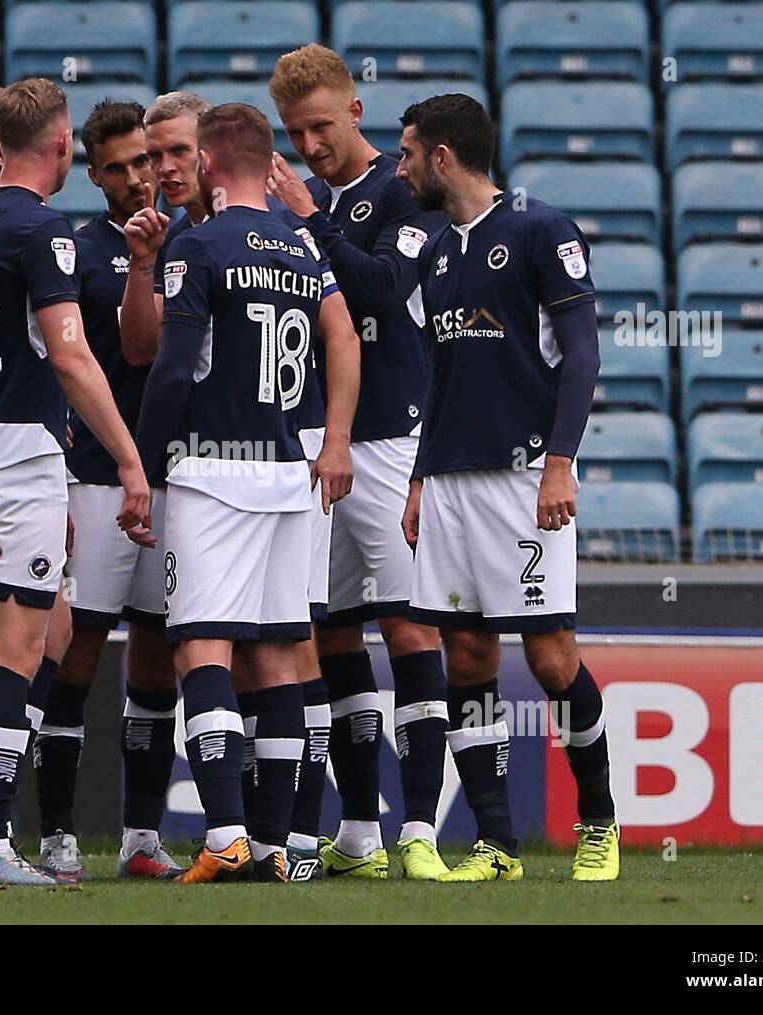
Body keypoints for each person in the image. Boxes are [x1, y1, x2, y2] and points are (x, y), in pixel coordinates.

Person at [123, 92, 359, 880]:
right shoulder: (303, 244)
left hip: (213, 472)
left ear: (211, 162)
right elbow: (341, 335)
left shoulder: (204, 245)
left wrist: (144, 466)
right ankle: (280, 844)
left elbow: (172, 368)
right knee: (281, 658)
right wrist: (334, 440)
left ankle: (224, 832)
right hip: (289, 470)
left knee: (202, 647)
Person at [0, 78, 150, 886]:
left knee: (34, 635)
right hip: (14, 457)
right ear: (61, 147)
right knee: (15, 650)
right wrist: (127, 457)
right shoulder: (42, 229)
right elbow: (70, 353)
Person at [396, 93, 619, 882]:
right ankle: (497, 844)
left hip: (525, 476)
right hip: (451, 481)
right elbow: (440, 378)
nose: (402, 165)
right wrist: (420, 477)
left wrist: (560, 460)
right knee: (466, 655)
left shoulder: (540, 230)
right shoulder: (434, 253)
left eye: (410, 152)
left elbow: (584, 356)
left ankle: (599, 821)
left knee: (553, 655)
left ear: (445, 157)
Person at [267, 44, 453, 879]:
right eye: (295, 131)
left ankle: (419, 827)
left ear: (356, 112)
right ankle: (361, 831)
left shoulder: (401, 192)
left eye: (320, 126)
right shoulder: (293, 200)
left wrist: (309, 220)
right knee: (330, 629)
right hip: (315, 440)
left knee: (405, 621)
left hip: (386, 437)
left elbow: (380, 290)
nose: (309, 144)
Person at [32, 98, 185, 883]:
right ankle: (57, 833)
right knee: (76, 653)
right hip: (93, 473)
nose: (136, 179)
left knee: (157, 657)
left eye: (145, 162)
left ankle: (141, 836)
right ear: (92, 174)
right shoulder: (75, 247)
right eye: (118, 167)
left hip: (178, 477)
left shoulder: (192, 237)